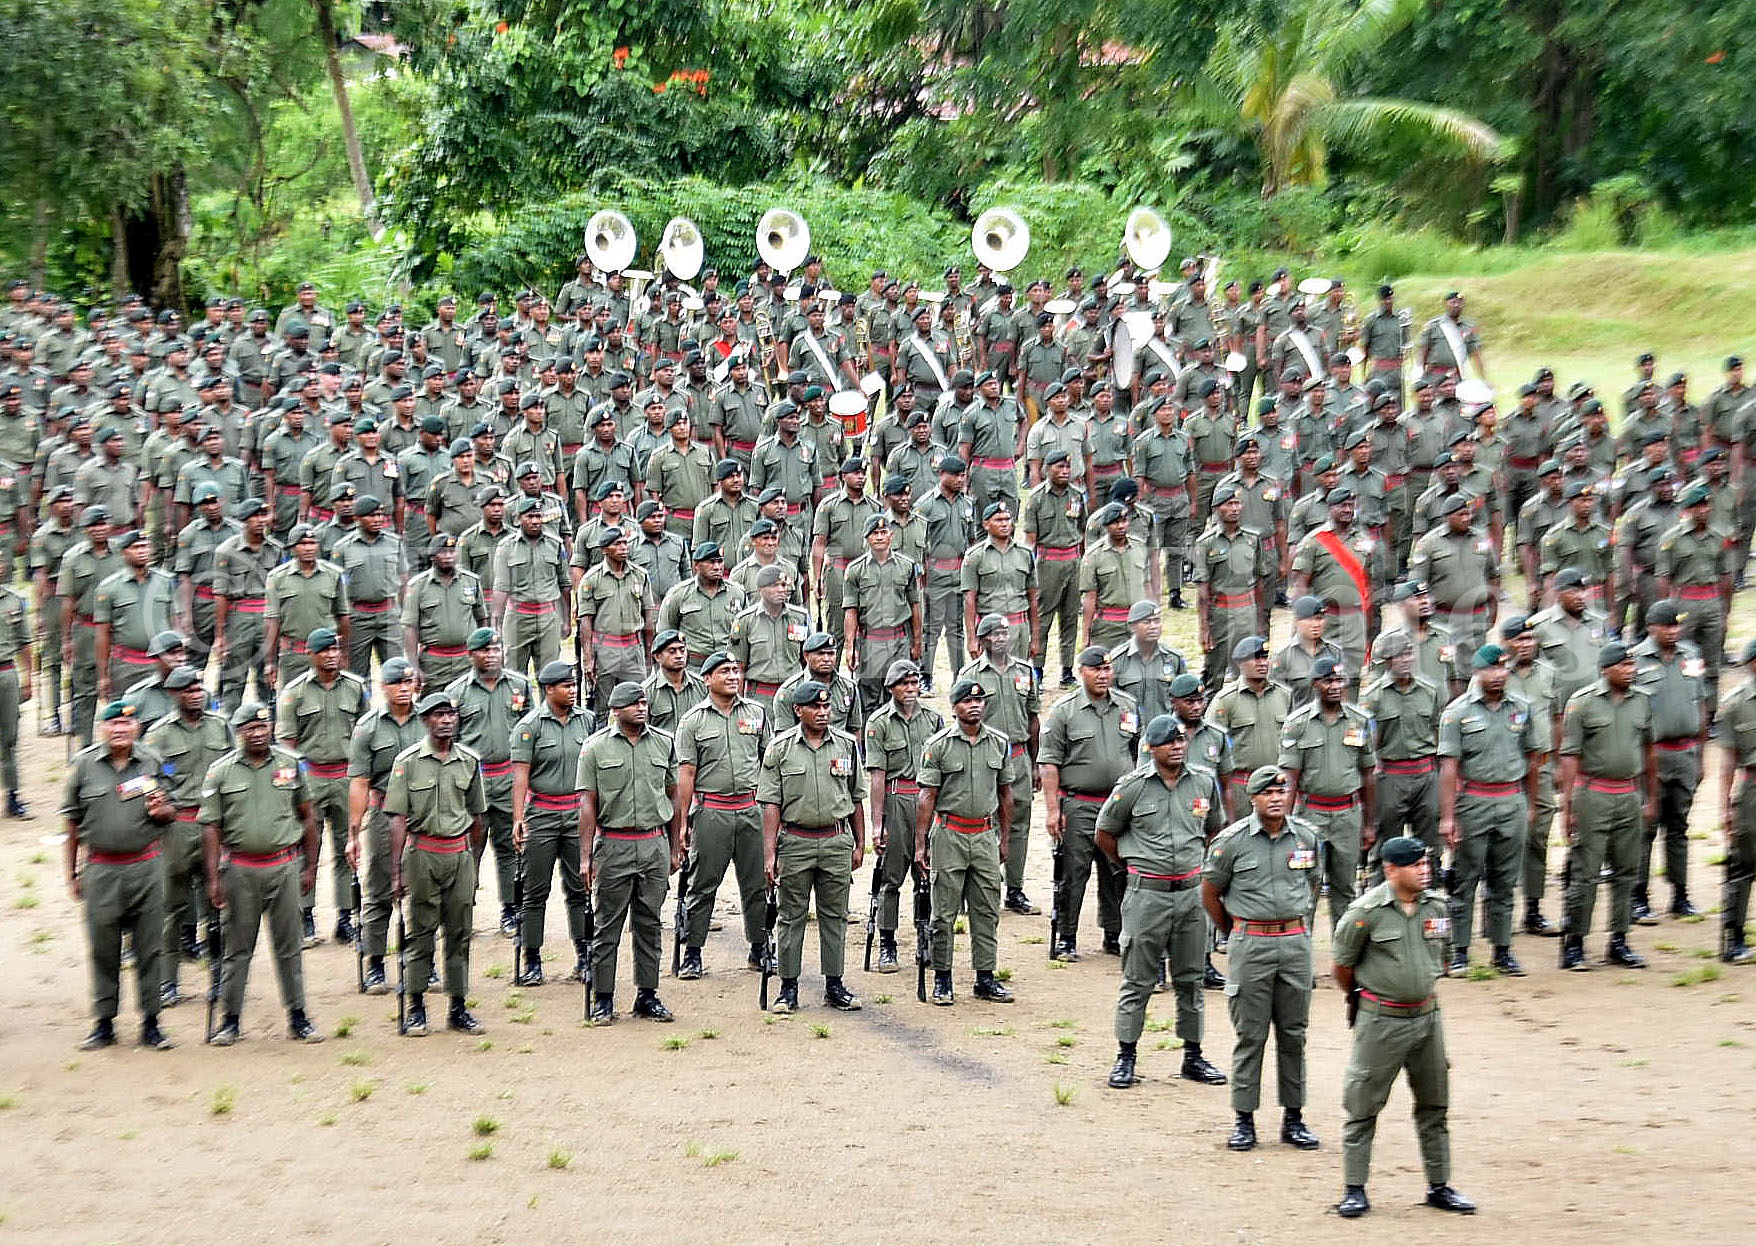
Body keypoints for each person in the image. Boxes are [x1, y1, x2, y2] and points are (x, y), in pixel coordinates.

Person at [1331, 835, 1476, 1220]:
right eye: (1415, 865)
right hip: (1382, 1020)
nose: (1424, 870)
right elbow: (1342, 967)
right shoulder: (1365, 912)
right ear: (1390, 869)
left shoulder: (1438, 906)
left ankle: (1439, 1185)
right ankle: (1355, 1188)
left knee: (1434, 1103)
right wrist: (1370, 999)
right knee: (1363, 1104)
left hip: (1428, 1018)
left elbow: (1442, 956)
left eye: (1426, 864)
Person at [1100, 715, 1228, 1089]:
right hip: (1147, 896)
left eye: (1181, 740)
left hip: (1190, 895)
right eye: (1168, 742)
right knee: (1137, 980)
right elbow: (1105, 832)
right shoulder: (1133, 787)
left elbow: (1213, 828)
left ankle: (1193, 1056)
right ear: (1151, 749)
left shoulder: (1203, 781)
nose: (1177, 746)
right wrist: (1131, 866)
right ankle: (1126, 1056)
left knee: (1190, 979)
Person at [1202, 767, 1321, 1153]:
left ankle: (1294, 1118)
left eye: (1280, 791)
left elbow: (1312, 885)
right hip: (1251, 944)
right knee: (1250, 1035)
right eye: (1267, 792)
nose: (1275, 798)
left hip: (1294, 942)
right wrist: (1235, 932)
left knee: (1294, 1034)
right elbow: (1210, 893)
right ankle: (1244, 1120)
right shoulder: (1231, 843)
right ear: (1252, 799)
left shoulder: (1305, 836)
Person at [199, 701, 324, 1047]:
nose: (258, 733)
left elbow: (308, 816)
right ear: (238, 732)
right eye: (250, 728)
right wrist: (212, 879)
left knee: (290, 947)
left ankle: (298, 1016)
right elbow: (211, 828)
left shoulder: (289, 765)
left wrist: (310, 866)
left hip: (284, 867)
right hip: (240, 870)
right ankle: (230, 1019)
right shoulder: (221, 772)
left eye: (263, 726)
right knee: (236, 950)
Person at [62, 701, 179, 1051]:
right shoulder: (83, 766)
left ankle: (152, 1023)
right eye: (113, 724)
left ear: (137, 728)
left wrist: (162, 812)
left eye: (126, 725)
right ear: (102, 729)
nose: (120, 730)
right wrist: (72, 872)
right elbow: (71, 822)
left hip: (146, 867)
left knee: (150, 946)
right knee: (103, 947)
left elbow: (173, 809)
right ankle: (103, 1023)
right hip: (101, 869)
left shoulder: (153, 761)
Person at [384, 692, 489, 1037]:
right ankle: (415, 1005)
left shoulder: (470, 761)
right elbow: (397, 819)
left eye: (450, 714)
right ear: (425, 720)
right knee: (420, 932)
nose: (446, 720)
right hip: (423, 853)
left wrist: (473, 862)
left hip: (458, 854)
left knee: (460, 933)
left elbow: (477, 817)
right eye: (438, 715)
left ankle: (458, 1006)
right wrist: (397, 870)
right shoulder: (408, 762)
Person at [759, 680, 867, 1014]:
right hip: (796, 841)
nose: (823, 713)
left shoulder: (847, 746)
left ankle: (834, 984)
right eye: (815, 707)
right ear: (798, 711)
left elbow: (856, 797)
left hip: (836, 840)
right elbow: (770, 804)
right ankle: (788, 987)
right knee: (790, 916)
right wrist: (769, 854)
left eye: (827, 707)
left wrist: (860, 842)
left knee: (834, 916)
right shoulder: (780, 749)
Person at [1437, 644, 1542, 976]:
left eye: (1503, 669)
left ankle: (1502, 949)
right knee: (1464, 878)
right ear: (1477, 672)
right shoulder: (1457, 713)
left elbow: (1534, 759)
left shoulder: (1522, 708)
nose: (1498, 676)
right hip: (1474, 802)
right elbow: (1449, 768)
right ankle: (1460, 950)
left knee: (1504, 880)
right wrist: (1448, 817)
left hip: (1511, 799)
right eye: (1491, 670)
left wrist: (1530, 804)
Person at [913, 678, 1017, 1005]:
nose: (974, 705)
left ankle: (985, 977)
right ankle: (942, 977)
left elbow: (1006, 793)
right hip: (950, 834)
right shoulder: (939, 745)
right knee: (943, 913)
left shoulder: (999, 743)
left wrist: (1004, 839)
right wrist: (921, 844)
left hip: (984, 833)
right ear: (954, 707)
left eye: (979, 701)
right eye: (966, 702)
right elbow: (927, 797)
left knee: (986, 909)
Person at [1557, 643, 1656, 971]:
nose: (1631, 669)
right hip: (1593, 795)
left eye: (1632, 664)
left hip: (1628, 794)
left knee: (1628, 870)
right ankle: (1574, 942)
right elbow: (1569, 756)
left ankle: (1619, 939)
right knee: (1585, 872)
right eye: (1623, 665)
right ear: (1605, 669)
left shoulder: (1642, 700)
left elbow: (1649, 750)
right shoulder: (1582, 703)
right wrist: (1568, 806)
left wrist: (1650, 796)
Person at [1039, 646, 1142, 960]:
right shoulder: (1064, 710)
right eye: (1096, 669)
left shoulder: (1127, 705)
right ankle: (1067, 937)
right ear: (1081, 671)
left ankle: (1113, 933)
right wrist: (1054, 810)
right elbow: (1048, 763)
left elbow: (1137, 753)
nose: (1103, 675)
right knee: (1074, 872)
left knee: (1117, 870)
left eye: (1107, 669)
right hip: (1079, 804)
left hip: (1118, 804)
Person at [674, 652, 772, 978]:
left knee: (757, 883)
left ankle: (759, 947)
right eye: (724, 671)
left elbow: (768, 765)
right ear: (707, 679)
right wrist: (684, 821)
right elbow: (686, 773)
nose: (732, 676)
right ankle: (693, 951)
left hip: (750, 810)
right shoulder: (693, 721)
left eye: (735, 670)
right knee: (702, 885)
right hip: (711, 811)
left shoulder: (757, 713)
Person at [276, 626, 370, 946]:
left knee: (349, 847)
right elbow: (287, 746)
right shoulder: (294, 693)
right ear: (311, 655)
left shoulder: (356, 688)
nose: (332, 655)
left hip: (346, 778)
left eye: (336, 649)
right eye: (325, 651)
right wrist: (293, 788)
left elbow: (367, 734)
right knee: (307, 849)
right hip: (310, 778)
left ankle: (345, 917)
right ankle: (305, 915)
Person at [144, 667, 231, 1007]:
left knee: (218, 904)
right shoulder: (158, 736)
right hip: (176, 826)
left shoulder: (220, 726)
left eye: (199, 687)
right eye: (188, 688)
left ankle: (220, 979)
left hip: (214, 825)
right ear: (173, 694)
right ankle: (168, 982)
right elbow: (149, 782)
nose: (196, 693)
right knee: (171, 909)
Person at [510, 661, 596, 985]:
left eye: (574, 685)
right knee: (535, 891)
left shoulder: (587, 721)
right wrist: (519, 819)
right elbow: (519, 777)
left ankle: (583, 954)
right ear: (548, 690)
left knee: (580, 889)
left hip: (577, 813)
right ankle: (532, 957)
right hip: (542, 813)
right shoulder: (529, 726)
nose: (573, 690)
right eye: (566, 686)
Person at [345, 658, 424, 995]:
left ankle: (423, 963)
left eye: (409, 682)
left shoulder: (429, 720)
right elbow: (359, 782)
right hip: (383, 814)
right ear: (383, 687)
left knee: (422, 891)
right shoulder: (368, 727)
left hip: (422, 813)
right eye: (397, 683)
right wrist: (354, 833)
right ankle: (376, 962)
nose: (405, 689)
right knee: (378, 890)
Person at [1279, 656, 1376, 930]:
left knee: (1345, 889)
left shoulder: (1360, 721)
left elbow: (1368, 773)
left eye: (1339, 680)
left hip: (1348, 815)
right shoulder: (1297, 724)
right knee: (1307, 888)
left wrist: (1369, 823)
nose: (1335, 686)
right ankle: (1302, 962)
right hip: (1311, 816)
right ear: (1314, 684)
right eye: (1328, 681)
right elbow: (1290, 779)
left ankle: (1343, 958)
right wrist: (1286, 825)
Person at [955, 613, 1041, 913]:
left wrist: (1035, 762)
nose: (1002, 637)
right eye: (995, 633)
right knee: (983, 823)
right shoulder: (970, 674)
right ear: (982, 640)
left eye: (1006, 632)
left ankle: (1014, 888)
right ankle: (977, 887)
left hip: (1018, 757)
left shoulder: (1026, 672)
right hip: (985, 758)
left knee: (1019, 824)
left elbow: (1033, 719)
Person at [447, 627, 530, 938]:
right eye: (485, 651)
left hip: (509, 777)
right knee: (469, 848)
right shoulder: (457, 693)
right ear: (472, 655)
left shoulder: (519, 685)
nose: (492, 655)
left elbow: (529, 732)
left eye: (496, 650)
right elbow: (450, 743)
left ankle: (510, 909)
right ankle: (462, 907)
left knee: (510, 846)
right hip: (474, 779)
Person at [1630, 600, 1707, 921]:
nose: (1675, 631)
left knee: (1679, 827)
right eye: (1668, 626)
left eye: (1678, 625)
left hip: (1685, 753)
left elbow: (1701, 704)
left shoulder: (1691, 657)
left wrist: (1701, 755)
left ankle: (1680, 894)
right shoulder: (1634, 661)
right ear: (1651, 628)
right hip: (1652, 756)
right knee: (1646, 828)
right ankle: (1638, 896)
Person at [1360, 631, 1442, 872]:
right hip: (1390, 778)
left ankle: (1428, 897)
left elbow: (1437, 732)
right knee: (1386, 845)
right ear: (1387, 661)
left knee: (1429, 846)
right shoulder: (1372, 697)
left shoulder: (1429, 691)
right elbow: (1368, 745)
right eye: (1399, 656)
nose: (1406, 660)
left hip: (1426, 776)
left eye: (1409, 654)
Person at [1191, 483, 1272, 694]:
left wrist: (1261, 620)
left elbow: (1260, 582)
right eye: (1229, 504)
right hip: (1221, 614)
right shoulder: (1205, 543)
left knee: (1249, 669)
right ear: (1218, 508)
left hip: (1247, 611)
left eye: (1237, 503)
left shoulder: (1253, 540)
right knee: (1215, 672)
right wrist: (1204, 628)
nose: (1235, 508)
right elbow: (1202, 592)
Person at [1713, 640, 1756, 964]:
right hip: (1752, 789)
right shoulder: (1735, 703)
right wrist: (1725, 805)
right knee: (1743, 866)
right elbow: (1727, 761)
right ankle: (1734, 937)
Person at [0, 570, 30, 817]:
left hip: (7, 672)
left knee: (9, 738)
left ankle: (12, 796)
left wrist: (29, 677)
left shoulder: (13, 600)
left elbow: (24, 641)